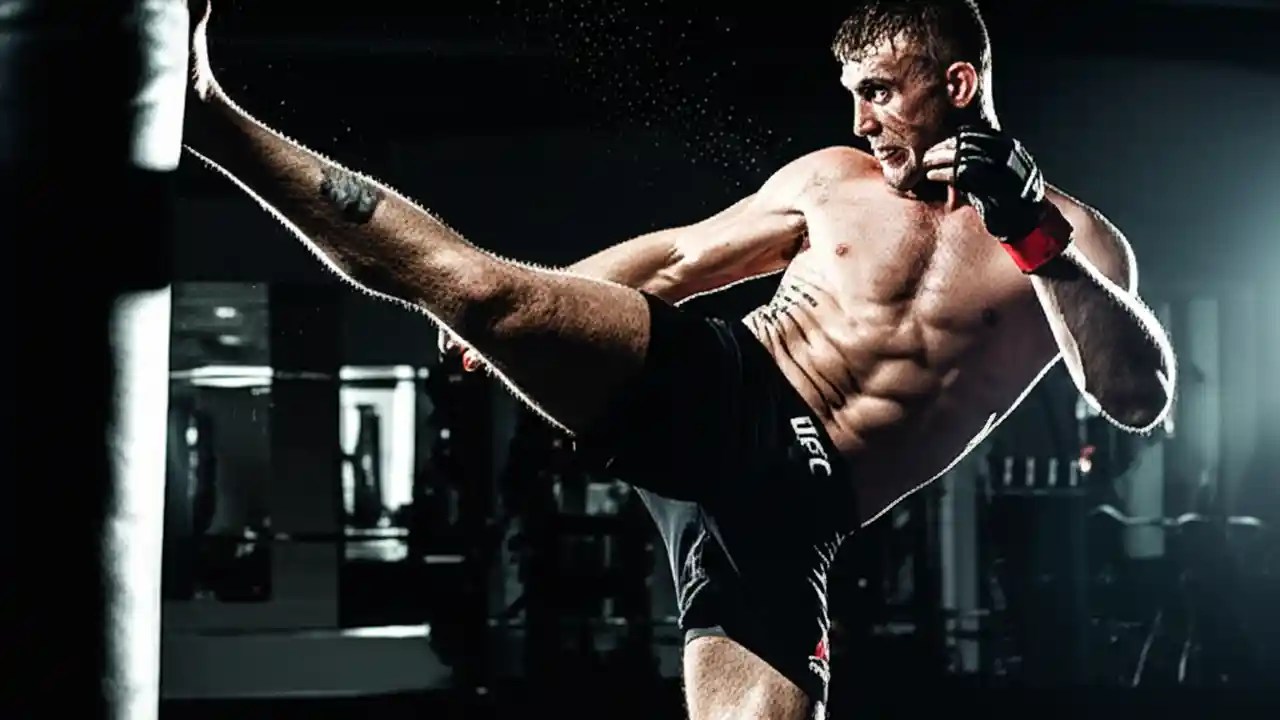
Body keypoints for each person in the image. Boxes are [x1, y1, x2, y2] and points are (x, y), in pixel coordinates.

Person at [182, 0, 1176, 717]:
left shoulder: (1076, 243)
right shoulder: (831, 180)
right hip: (724, 390)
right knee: (477, 284)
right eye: (850, 96)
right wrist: (524, 314)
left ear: (953, 85)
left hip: (793, 513)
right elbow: (678, 259)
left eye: (877, 93)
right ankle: (207, 112)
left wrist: (1026, 233)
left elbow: (1131, 394)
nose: (860, 122)